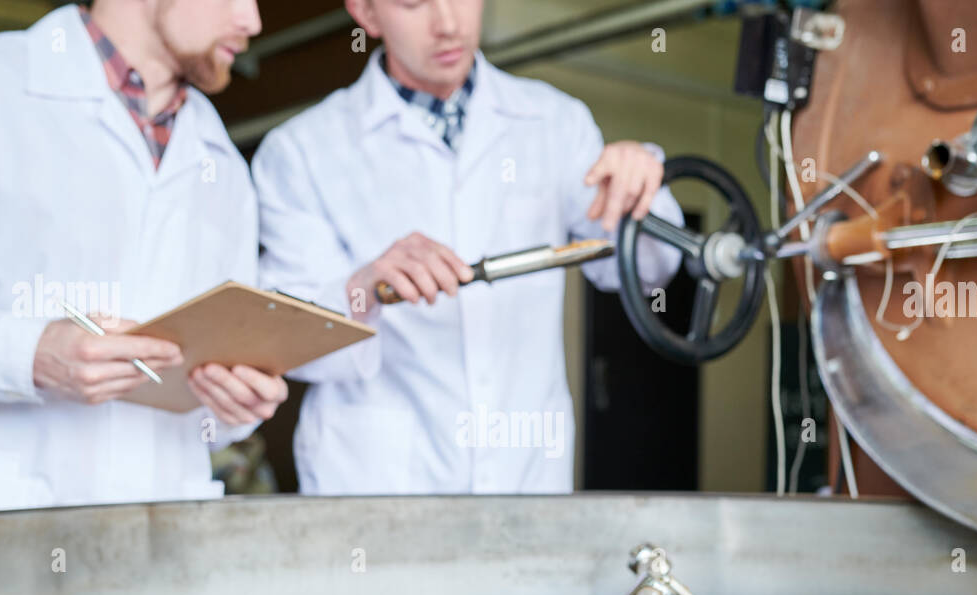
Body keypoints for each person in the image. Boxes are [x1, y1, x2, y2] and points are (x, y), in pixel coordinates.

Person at [0, 0, 288, 520]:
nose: (252, 22)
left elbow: (208, 389)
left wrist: (235, 403)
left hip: (156, 534)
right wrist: (27, 354)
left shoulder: (219, 161)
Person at [254, 0, 683, 495]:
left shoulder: (555, 122)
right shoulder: (301, 150)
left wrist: (641, 192)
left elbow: (648, 269)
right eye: (414, 3)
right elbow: (282, 340)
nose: (449, 24)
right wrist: (364, 287)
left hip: (527, 475)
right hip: (374, 485)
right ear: (367, 14)